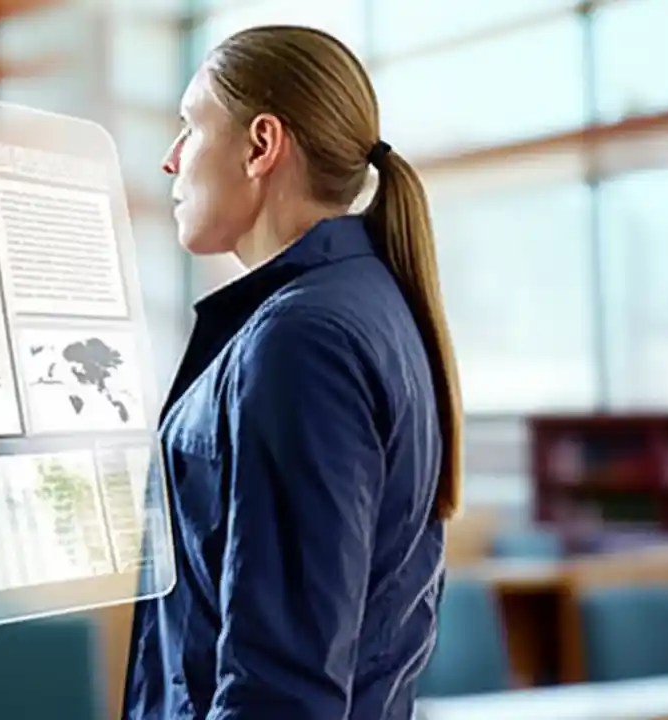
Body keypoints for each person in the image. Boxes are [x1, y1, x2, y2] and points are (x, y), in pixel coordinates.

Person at [122, 25, 463, 719]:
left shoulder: (301, 340)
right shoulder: (361, 306)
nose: (170, 159)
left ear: (260, 146)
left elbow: (284, 692)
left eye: (189, 126)